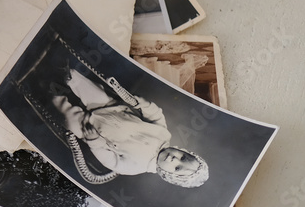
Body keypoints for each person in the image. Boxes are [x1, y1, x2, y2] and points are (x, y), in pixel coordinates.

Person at [52, 68, 209, 188]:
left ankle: (53, 94)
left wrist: (94, 141)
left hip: (92, 130)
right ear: (182, 150)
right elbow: (155, 115)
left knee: (69, 119)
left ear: (168, 176)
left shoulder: (136, 167)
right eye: (182, 157)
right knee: (85, 85)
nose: (174, 159)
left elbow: (110, 160)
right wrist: (138, 104)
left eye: (177, 167)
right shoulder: (163, 135)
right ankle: (67, 74)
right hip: (110, 107)